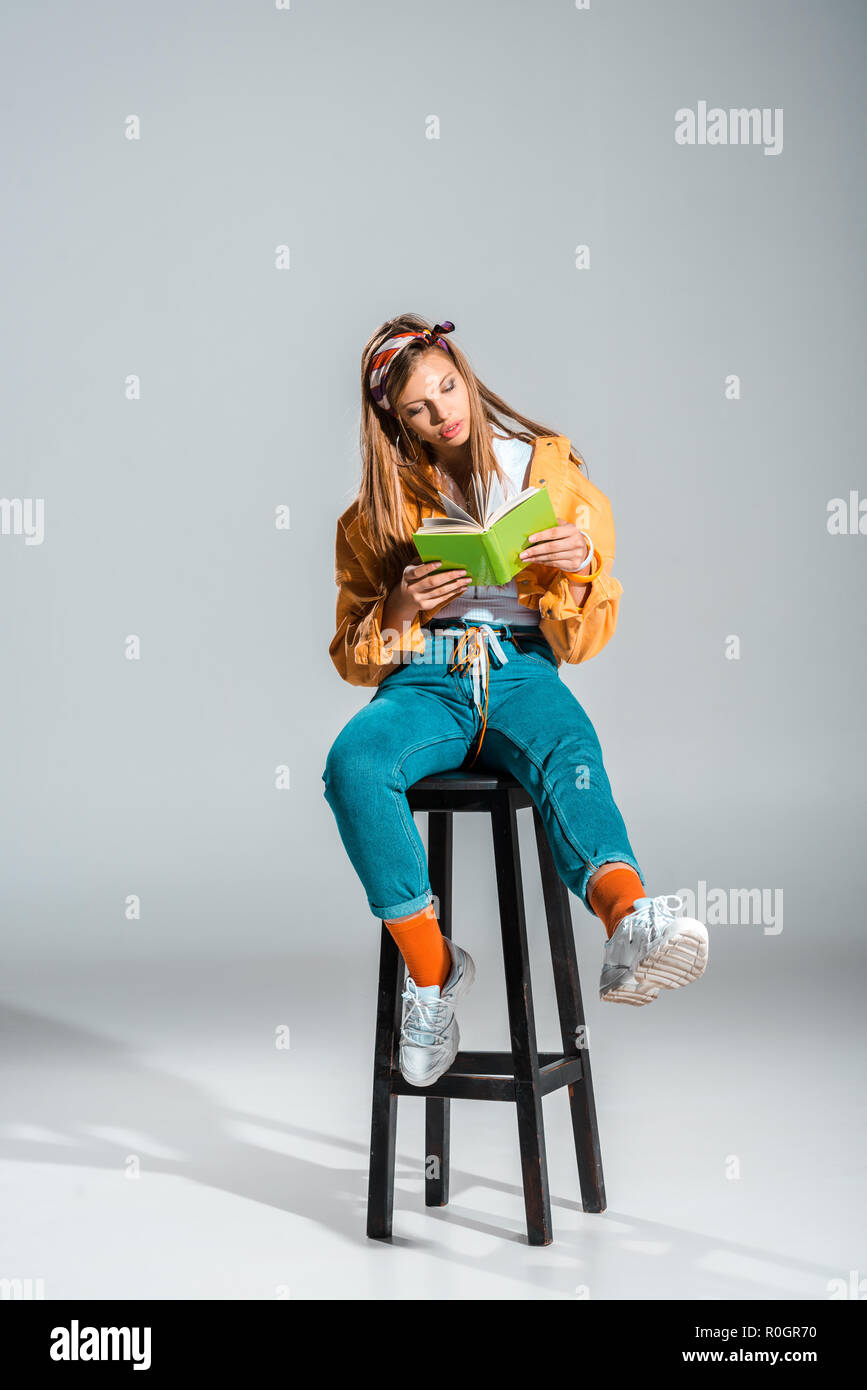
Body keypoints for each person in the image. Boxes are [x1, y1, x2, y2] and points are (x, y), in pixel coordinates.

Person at [322, 314, 708, 1086]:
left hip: (523, 668)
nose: (443, 412)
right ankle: (431, 975)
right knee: (354, 764)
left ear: (463, 372)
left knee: (570, 753)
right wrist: (400, 608)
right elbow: (351, 653)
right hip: (427, 673)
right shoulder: (379, 507)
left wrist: (580, 563)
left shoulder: (549, 472)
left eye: (446, 387)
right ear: (395, 423)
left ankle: (626, 919)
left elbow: (585, 636)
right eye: (418, 410)